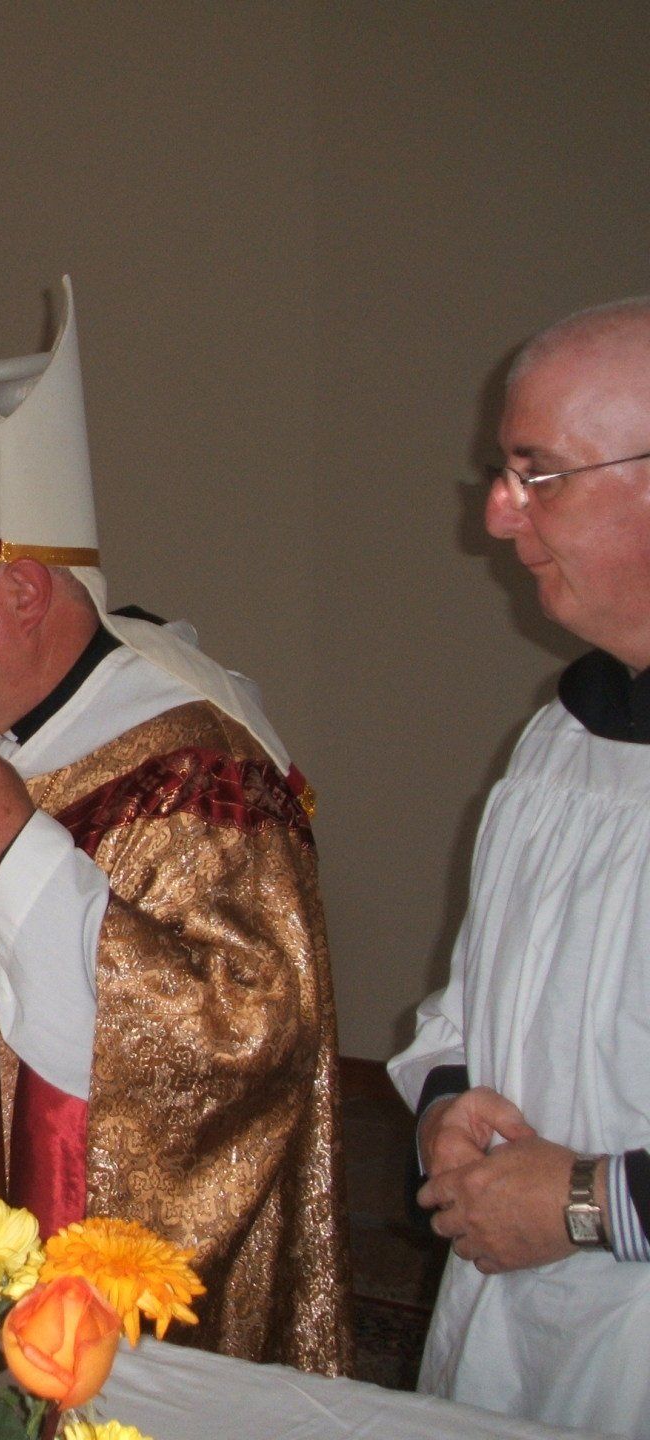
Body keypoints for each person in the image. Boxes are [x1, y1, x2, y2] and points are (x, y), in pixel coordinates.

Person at [0, 279, 348, 1373]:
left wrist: (17, 847)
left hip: (110, 1290)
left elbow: (246, 1036)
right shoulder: (6, 744)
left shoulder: (202, 771)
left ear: (25, 594)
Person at [387, 297, 650, 1434]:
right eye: (503, 471)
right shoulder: (562, 737)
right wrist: (448, 1109)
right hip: (506, 1326)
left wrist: (597, 1205)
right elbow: (471, 1006)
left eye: (538, 473)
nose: (500, 514)